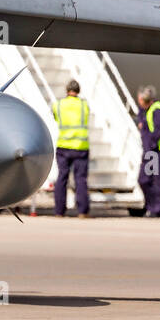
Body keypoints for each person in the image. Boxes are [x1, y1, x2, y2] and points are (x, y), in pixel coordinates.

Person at [51, 79, 90, 217]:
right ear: (78, 91)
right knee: (80, 179)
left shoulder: (58, 104)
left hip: (63, 146)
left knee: (62, 178)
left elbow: (56, 118)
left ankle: (59, 211)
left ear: (67, 90)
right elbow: (86, 117)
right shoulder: (84, 105)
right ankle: (82, 211)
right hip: (80, 147)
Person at [135, 85, 160, 217]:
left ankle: (158, 209)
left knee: (157, 181)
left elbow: (159, 130)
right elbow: (141, 115)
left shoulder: (158, 110)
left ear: (147, 101)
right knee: (144, 180)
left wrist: (151, 144)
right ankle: (151, 205)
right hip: (150, 151)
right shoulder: (146, 109)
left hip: (156, 151)